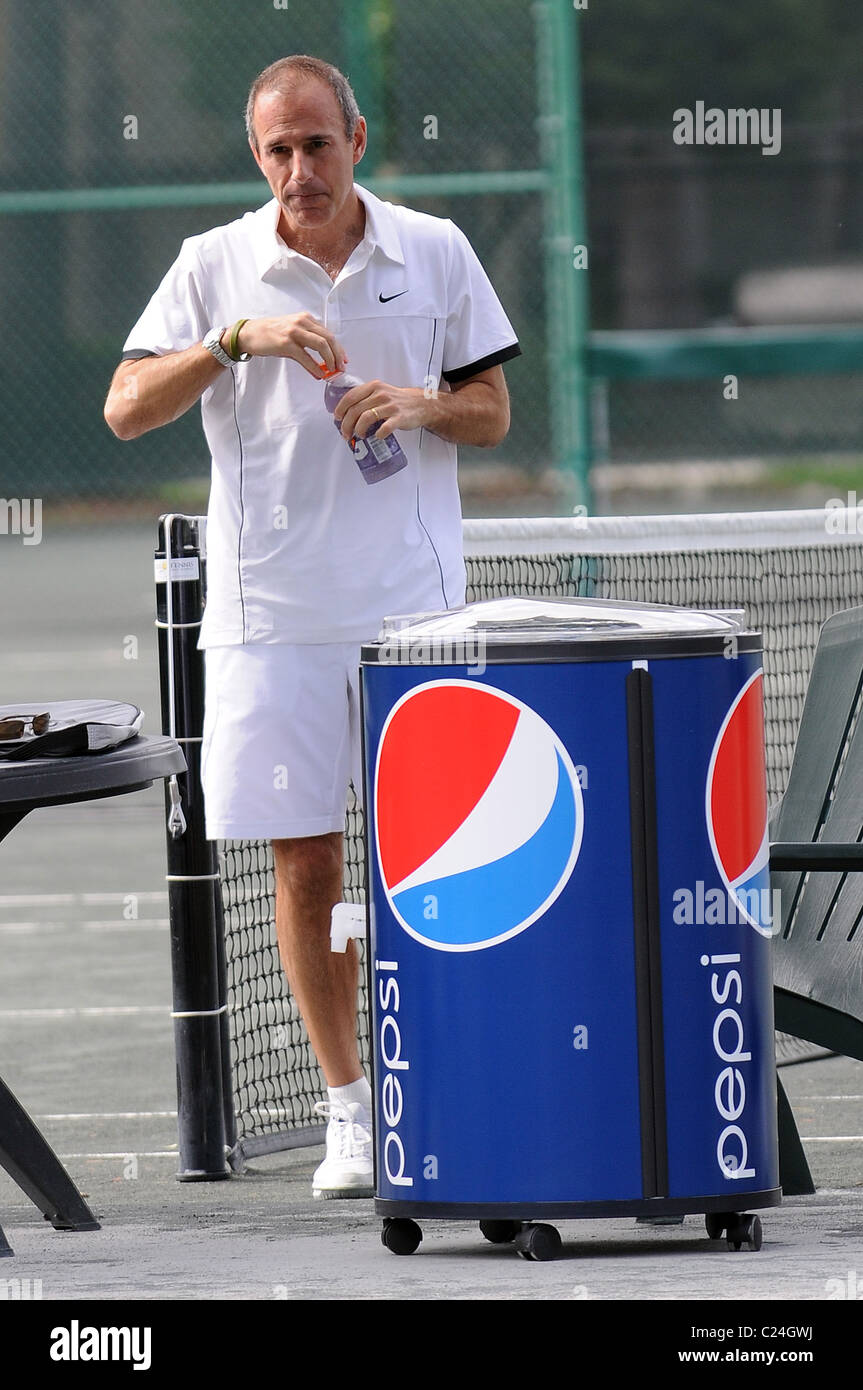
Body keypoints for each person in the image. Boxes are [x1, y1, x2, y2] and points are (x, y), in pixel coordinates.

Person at [104, 55, 520, 1198]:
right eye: (278, 151)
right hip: (269, 615)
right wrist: (234, 342)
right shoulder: (211, 267)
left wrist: (420, 401)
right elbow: (128, 407)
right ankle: (350, 1111)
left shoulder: (432, 248)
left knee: (428, 861)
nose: (299, 170)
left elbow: (488, 412)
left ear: (358, 138)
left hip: (414, 617)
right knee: (303, 862)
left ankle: (441, 1083)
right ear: (257, 157)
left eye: (317, 145)